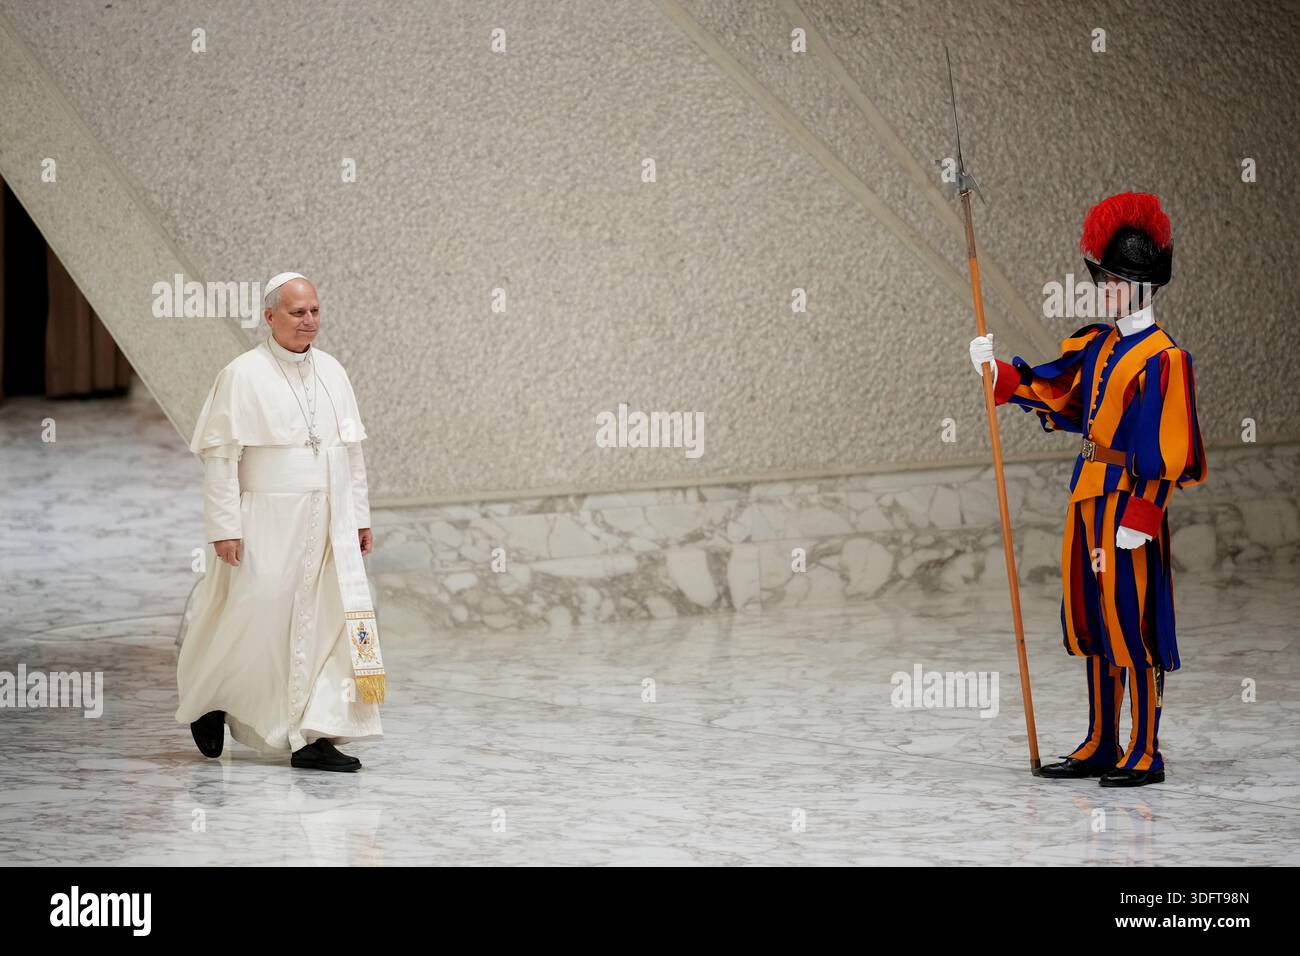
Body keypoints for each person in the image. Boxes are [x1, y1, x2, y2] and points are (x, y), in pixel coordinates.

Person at [969, 193, 1206, 787]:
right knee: (1092, 620)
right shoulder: (1098, 344)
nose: (1108, 289)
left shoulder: (1165, 359)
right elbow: (1063, 396)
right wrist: (999, 375)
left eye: (1118, 280)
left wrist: (1145, 514)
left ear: (1147, 285)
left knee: (1133, 622)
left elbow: (1168, 447)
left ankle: (1144, 749)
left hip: (1128, 503)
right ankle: (1103, 740)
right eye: (1104, 278)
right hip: (1087, 499)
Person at [175, 272, 385, 772]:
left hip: (329, 520)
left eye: (314, 310)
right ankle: (211, 698)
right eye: (297, 312)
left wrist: (359, 517)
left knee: (327, 623)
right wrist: (225, 526)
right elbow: (223, 457)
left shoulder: (333, 370)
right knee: (253, 616)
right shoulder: (242, 374)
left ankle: (312, 733)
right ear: (269, 317)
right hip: (266, 518)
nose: (309, 321)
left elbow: (350, 453)